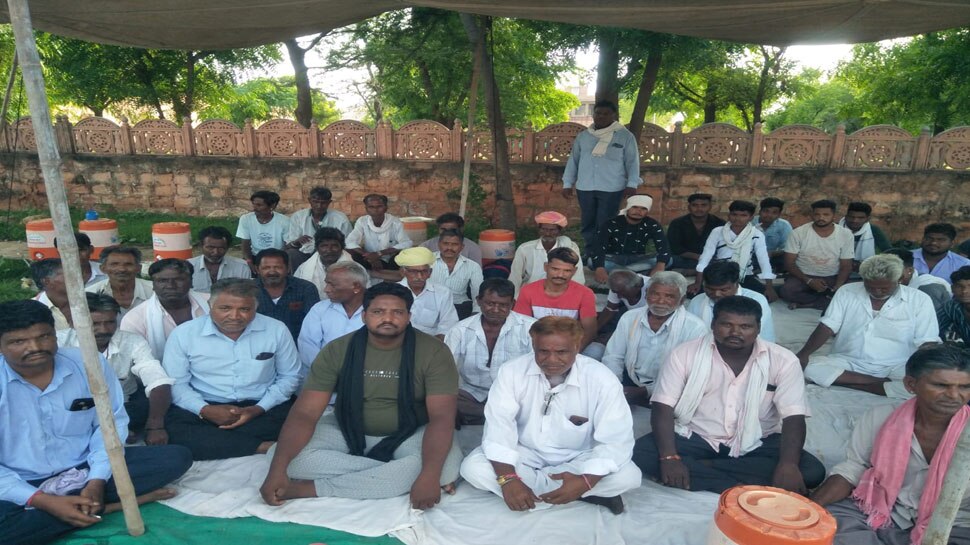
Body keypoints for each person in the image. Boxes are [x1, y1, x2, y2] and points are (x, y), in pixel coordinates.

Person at [0, 300, 191, 545]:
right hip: (20, 479)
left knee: (176, 458)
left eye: (44, 336)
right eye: (19, 342)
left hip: (85, 468)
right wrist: (39, 498)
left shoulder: (88, 362)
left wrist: (97, 479)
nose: (35, 347)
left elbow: (110, 423)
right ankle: (103, 506)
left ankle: (74, 506)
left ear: (55, 334)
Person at [259, 283, 462, 508]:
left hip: (411, 431)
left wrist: (430, 474)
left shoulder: (434, 351)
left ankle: (311, 488)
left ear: (409, 317)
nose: (388, 318)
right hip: (347, 428)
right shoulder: (338, 350)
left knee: (446, 465)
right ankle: (391, 474)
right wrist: (276, 472)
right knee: (280, 458)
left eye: (397, 312)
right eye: (378, 312)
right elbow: (306, 413)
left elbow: (442, 417)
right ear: (364, 316)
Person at [633, 296, 825, 494]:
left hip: (758, 440)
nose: (735, 332)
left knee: (811, 472)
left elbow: (794, 417)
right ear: (713, 324)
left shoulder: (783, 360)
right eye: (726, 324)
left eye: (745, 326)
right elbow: (662, 406)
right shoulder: (684, 354)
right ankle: (740, 487)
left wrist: (788, 465)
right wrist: (670, 458)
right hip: (697, 436)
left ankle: (705, 469)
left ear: (758, 328)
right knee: (641, 452)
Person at [460, 316, 642, 515]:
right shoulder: (512, 372)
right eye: (543, 351)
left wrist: (586, 480)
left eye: (562, 352)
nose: (552, 360)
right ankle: (579, 494)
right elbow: (498, 428)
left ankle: (542, 492)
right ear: (533, 345)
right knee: (473, 468)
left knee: (629, 476)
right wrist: (509, 478)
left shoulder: (601, 378)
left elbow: (616, 439)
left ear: (577, 345)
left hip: (579, 456)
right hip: (525, 452)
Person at [810, 344, 970, 545]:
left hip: (953, 524)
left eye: (964, 387)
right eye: (941, 385)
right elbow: (853, 468)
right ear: (911, 384)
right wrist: (810, 509)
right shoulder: (881, 417)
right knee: (831, 521)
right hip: (885, 513)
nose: (954, 396)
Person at [162, 278, 301, 460]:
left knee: (296, 421)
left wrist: (258, 409)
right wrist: (205, 410)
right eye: (225, 308)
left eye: (244, 309)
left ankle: (228, 444)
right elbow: (177, 384)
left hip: (261, 406)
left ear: (255, 308)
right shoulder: (184, 334)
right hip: (205, 406)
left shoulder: (276, 329)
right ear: (210, 305)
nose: (235, 316)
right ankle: (261, 446)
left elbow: (290, 376)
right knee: (178, 431)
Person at [798, 254, 940, 398]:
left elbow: (927, 341)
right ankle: (882, 384)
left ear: (899, 280)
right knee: (809, 367)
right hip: (849, 361)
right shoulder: (846, 291)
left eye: (884, 288)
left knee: (925, 383)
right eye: (870, 287)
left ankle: (853, 384)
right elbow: (827, 326)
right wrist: (803, 354)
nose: (876, 292)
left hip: (897, 365)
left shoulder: (920, 299)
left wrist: (929, 370)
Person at [60, 293, 174, 443]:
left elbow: (157, 381)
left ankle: (111, 430)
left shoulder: (132, 341)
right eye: (94, 324)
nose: (103, 330)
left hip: (124, 407)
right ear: (74, 323)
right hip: (77, 411)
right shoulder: (59, 343)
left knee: (162, 406)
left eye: (110, 322)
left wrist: (155, 427)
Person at [601, 272, 707, 407]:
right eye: (655, 294)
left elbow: (690, 373)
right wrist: (615, 386)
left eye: (669, 296)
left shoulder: (695, 328)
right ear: (646, 295)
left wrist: (646, 391)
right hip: (629, 381)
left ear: (681, 300)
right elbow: (613, 356)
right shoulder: (629, 317)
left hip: (671, 391)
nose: (660, 301)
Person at [561, 99, 641, 267]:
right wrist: (567, 183)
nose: (601, 116)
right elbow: (573, 160)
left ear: (614, 116)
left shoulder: (625, 136)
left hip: (612, 187)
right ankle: (590, 252)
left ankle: (604, 254)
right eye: (598, 113)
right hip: (585, 187)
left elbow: (632, 162)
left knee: (606, 223)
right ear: (593, 114)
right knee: (587, 223)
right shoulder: (584, 136)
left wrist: (632, 183)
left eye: (606, 114)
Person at [444, 279, 536, 425]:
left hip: (515, 393)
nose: (495, 310)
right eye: (490, 303)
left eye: (503, 305)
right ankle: (498, 416)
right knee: (443, 399)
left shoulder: (531, 328)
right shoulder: (459, 331)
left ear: (513, 304)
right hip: (472, 393)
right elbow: (445, 371)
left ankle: (483, 415)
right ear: (478, 301)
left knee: (536, 401)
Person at [120, 258, 209, 360]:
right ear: (153, 285)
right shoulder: (135, 319)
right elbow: (134, 359)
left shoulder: (213, 303)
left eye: (179, 279)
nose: (171, 286)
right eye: (162, 281)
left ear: (191, 282)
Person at [513, 247, 598, 352]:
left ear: (575, 271)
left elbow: (590, 330)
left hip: (570, 345)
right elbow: (520, 326)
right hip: (536, 344)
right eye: (555, 269)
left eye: (567, 271)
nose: (560, 275)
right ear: (546, 267)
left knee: (596, 350)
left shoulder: (585, 293)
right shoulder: (528, 291)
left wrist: (573, 352)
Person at [691, 200, 777, 300]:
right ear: (729, 215)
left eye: (743, 215)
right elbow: (705, 256)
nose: (738, 218)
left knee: (762, 297)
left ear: (751, 217)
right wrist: (698, 282)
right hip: (719, 274)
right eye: (734, 214)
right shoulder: (717, 231)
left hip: (744, 275)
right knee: (695, 295)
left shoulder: (757, 235)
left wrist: (769, 288)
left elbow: (764, 260)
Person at [779, 199, 854, 310]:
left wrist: (838, 286)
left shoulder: (845, 234)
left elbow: (846, 265)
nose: (821, 218)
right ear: (811, 215)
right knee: (787, 291)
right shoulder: (798, 233)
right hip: (803, 276)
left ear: (834, 216)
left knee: (846, 295)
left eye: (826, 214)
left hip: (831, 276)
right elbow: (789, 263)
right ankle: (824, 302)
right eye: (817, 214)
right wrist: (809, 281)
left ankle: (807, 304)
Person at [297, 262, 368, 375]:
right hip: (323, 377)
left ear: (356, 287)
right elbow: (307, 346)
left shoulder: (378, 311)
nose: (326, 289)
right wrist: (328, 372)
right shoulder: (320, 309)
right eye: (326, 283)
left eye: (332, 285)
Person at [687, 261, 775, 342]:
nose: (717, 294)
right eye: (710, 289)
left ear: (736, 284)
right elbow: (691, 333)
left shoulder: (757, 300)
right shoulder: (697, 301)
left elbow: (750, 335)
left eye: (724, 290)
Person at [590, 194, 669, 285]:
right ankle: (635, 273)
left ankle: (621, 273)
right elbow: (599, 246)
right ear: (628, 208)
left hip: (638, 259)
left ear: (647, 211)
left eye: (643, 208)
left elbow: (663, 246)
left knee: (666, 260)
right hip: (614, 259)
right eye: (634, 207)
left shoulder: (652, 224)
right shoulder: (611, 223)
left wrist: (660, 266)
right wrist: (600, 269)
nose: (638, 211)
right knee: (591, 262)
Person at [508, 211, 584, 295]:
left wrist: (575, 295)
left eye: (552, 230)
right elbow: (515, 276)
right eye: (544, 229)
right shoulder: (525, 249)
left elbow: (578, 276)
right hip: (531, 293)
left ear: (559, 232)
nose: (547, 233)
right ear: (539, 230)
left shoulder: (570, 247)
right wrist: (514, 298)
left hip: (561, 294)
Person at [253, 249, 320, 342]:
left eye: (278, 267)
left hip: (298, 344)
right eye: (266, 268)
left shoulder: (305, 288)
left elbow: (314, 323)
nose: (272, 272)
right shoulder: (247, 291)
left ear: (288, 268)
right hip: (258, 343)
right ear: (257, 270)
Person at [395, 247, 459, 339]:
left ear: (430, 273)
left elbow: (448, 324)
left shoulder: (442, 292)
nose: (419, 276)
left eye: (424, 271)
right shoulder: (391, 293)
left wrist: (433, 346)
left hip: (431, 342)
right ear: (403, 272)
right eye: (413, 272)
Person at [284, 187, 353, 271]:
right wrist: (297, 241)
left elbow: (349, 243)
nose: (319, 206)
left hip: (330, 253)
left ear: (329, 202)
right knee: (292, 253)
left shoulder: (340, 218)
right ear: (309, 200)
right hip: (305, 254)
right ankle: (298, 280)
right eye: (315, 202)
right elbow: (289, 245)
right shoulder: (298, 217)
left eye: (323, 203)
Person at [346, 193, 412, 272]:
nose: (375, 209)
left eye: (379, 206)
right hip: (368, 258)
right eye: (371, 207)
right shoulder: (362, 221)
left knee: (404, 254)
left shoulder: (395, 222)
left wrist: (379, 254)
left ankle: (391, 273)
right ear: (366, 209)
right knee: (349, 252)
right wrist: (370, 256)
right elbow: (350, 241)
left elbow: (406, 243)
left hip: (391, 259)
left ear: (386, 208)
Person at [431, 229, 483, 320]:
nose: (449, 248)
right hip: (431, 305)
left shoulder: (473, 266)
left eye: (455, 244)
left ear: (462, 247)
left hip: (459, 307)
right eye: (445, 243)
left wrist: (475, 314)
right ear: (439, 245)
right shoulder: (427, 261)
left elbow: (478, 293)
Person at [666, 193, 726, 273]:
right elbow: (675, 248)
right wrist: (699, 257)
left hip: (710, 259)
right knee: (669, 259)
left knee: (722, 263)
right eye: (694, 205)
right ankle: (701, 271)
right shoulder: (677, 223)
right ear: (689, 207)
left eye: (704, 205)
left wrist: (706, 258)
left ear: (710, 207)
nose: (699, 209)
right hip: (685, 259)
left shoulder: (719, 223)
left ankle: (691, 271)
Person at [86, 246, 154, 315]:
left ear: (138, 268)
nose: (122, 269)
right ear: (103, 268)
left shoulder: (154, 291)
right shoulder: (90, 293)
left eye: (128, 264)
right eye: (114, 264)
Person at [237, 190, 292, 271]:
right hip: (255, 256)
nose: (254, 208)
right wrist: (249, 262)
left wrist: (277, 261)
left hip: (277, 257)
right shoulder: (246, 219)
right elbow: (245, 244)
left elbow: (286, 245)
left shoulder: (284, 221)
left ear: (272, 206)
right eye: (254, 204)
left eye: (259, 205)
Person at [293, 227, 355, 299]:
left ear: (342, 247)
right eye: (324, 246)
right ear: (317, 248)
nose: (329, 250)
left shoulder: (355, 269)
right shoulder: (303, 269)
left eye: (334, 246)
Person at [884, 247, 951, 312]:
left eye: (892, 270)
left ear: (909, 270)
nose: (885, 274)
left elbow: (931, 320)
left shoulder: (928, 288)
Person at [187, 226, 252, 293]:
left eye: (221, 248)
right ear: (201, 246)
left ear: (227, 248)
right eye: (210, 248)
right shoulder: (187, 266)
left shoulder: (241, 267)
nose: (216, 252)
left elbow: (245, 294)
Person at [839, 202, 892, 270]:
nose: (855, 220)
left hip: (864, 270)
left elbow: (889, 251)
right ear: (846, 216)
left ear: (867, 219)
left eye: (860, 218)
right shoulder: (835, 229)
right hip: (836, 268)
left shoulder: (874, 230)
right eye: (852, 217)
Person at [753, 197, 793, 273]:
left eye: (774, 212)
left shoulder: (784, 225)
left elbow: (788, 247)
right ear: (760, 211)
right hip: (752, 255)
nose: (769, 215)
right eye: (766, 211)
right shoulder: (750, 223)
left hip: (773, 256)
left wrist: (772, 253)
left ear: (779, 215)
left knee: (787, 258)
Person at [31, 258, 71, 330]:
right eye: (67, 274)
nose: (76, 277)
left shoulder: (90, 299)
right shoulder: (31, 311)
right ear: (47, 281)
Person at [937, 266, 970, 344]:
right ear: (952, 288)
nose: (964, 291)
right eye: (959, 286)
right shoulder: (950, 307)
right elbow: (934, 331)